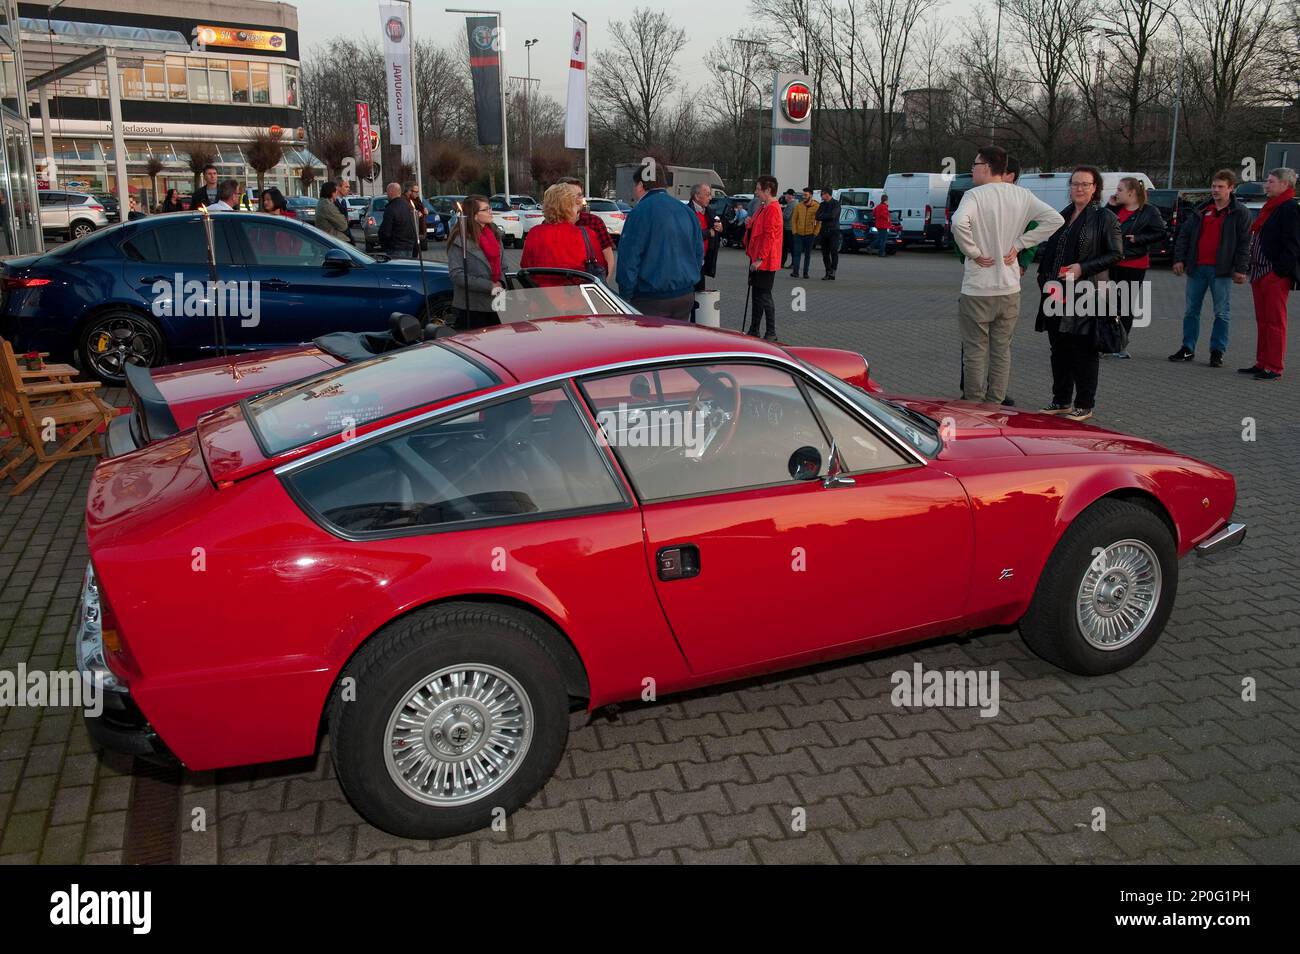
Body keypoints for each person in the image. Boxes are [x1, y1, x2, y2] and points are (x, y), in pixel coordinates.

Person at [950, 145, 1063, 405]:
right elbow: (1054, 219)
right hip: (1010, 287)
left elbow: (958, 223)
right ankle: (994, 404)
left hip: (978, 287)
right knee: (1001, 350)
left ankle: (973, 405)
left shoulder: (975, 195)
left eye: (975, 165)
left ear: (988, 167)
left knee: (975, 350)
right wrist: (1021, 244)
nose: (972, 170)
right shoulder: (1022, 195)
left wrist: (973, 252)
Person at [1033, 166, 1122, 422]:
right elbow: (1049, 248)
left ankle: (1084, 403)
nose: (1079, 188)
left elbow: (1116, 254)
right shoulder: (1063, 215)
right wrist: (1043, 276)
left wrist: (1082, 268)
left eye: (1085, 184)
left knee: (1083, 349)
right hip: (1056, 291)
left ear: (1095, 188)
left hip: (1088, 291)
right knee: (1058, 348)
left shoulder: (1105, 218)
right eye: (1074, 184)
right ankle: (1060, 400)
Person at [1167, 169, 1252, 367]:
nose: (1215, 190)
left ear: (1231, 188)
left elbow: (1244, 243)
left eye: (1220, 187)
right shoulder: (1201, 210)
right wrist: (1178, 259)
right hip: (1197, 268)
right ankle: (1187, 348)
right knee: (1191, 311)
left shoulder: (1240, 213)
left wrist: (1241, 268)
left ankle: (1217, 351)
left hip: (1221, 271)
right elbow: (1184, 236)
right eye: (1213, 186)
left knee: (1221, 313)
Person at [615, 156, 703, 320]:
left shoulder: (639, 212)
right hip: (685, 295)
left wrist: (626, 294)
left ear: (641, 185)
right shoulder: (687, 212)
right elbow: (698, 252)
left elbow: (629, 258)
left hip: (650, 298)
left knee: (651, 345)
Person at [1242, 167, 1299, 381]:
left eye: (1271, 181)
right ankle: (1262, 361)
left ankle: (1274, 366)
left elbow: (1293, 244)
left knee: (1275, 321)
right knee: (1263, 320)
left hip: (1273, 273)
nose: (1267, 184)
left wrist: (1279, 271)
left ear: (1285, 184)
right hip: (1259, 271)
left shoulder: (1289, 207)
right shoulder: (1271, 207)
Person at [1106, 177, 1166, 359]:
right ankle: (1107, 341)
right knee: (1108, 303)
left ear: (1131, 192)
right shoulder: (1116, 209)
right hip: (1112, 261)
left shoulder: (1148, 211)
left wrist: (1138, 239)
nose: (1116, 193)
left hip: (1133, 263)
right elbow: (1101, 224)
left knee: (1124, 304)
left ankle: (1120, 345)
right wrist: (1109, 207)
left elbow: (1160, 232)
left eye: (1120, 189)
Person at [520, 183, 601, 287]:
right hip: (578, 298)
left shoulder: (534, 233)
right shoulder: (587, 234)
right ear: (570, 207)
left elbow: (526, 267)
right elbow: (600, 267)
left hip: (540, 297)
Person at [446, 194, 505, 329]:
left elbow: (504, 266)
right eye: (485, 209)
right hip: (473, 306)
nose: (490, 212)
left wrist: (501, 282)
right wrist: (489, 286)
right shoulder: (460, 239)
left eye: (490, 208)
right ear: (474, 215)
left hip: (498, 302)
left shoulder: (495, 235)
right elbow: (457, 275)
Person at [745, 175, 783, 340]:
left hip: (765, 260)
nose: (756, 192)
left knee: (764, 295)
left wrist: (760, 258)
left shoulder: (773, 208)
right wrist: (749, 223)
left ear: (768, 190)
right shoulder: (763, 207)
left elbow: (770, 236)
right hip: (758, 257)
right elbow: (756, 227)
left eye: (758, 189)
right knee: (757, 295)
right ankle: (754, 329)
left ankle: (771, 332)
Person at [559, 175, 615, 276]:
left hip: (587, 284)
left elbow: (608, 256)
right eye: (572, 195)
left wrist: (603, 283)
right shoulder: (549, 224)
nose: (578, 199)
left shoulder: (594, 222)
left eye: (580, 195)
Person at [688, 183, 723, 321]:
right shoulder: (688, 212)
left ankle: (696, 324)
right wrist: (709, 233)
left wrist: (720, 227)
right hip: (690, 262)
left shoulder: (709, 211)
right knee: (688, 297)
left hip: (703, 262)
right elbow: (690, 235)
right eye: (707, 194)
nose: (710, 197)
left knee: (699, 297)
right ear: (697, 196)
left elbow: (717, 226)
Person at [378, 181, 418, 259]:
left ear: (391, 192)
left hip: (395, 248)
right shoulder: (409, 206)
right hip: (410, 247)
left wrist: (385, 245)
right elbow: (414, 227)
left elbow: (385, 231)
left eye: (387, 193)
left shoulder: (391, 208)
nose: (387, 195)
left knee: (396, 269)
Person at [790, 187, 820, 279]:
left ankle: (805, 273)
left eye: (806, 195)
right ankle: (795, 272)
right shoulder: (798, 206)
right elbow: (794, 220)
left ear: (810, 195)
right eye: (803, 195)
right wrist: (794, 232)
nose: (804, 196)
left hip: (810, 234)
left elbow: (819, 222)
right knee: (797, 253)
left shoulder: (816, 206)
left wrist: (815, 233)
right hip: (798, 234)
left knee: (807, 254)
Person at [816, 188, 841, 279]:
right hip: (824, 231)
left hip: (834, 231)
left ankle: (833, 271)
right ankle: (828, 271)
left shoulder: (836, 204)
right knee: (825, 253)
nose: (821, 196)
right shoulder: (822, 204)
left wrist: (824, 216)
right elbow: (817, 216)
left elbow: (833, 215)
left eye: (822, 194)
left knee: (834, 251)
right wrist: (825, 216)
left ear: (827, 194)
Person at [780, 189, 796, 268]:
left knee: (788, 247)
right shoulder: (793, 203)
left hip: (789, 228)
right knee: (787, 246)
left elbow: (786, 216)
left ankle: (792, 263)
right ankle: (783, 262)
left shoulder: (791, 204)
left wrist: (780, 213)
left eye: (786, 195)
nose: (785, 196)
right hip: (790, 228)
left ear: (789, 196)